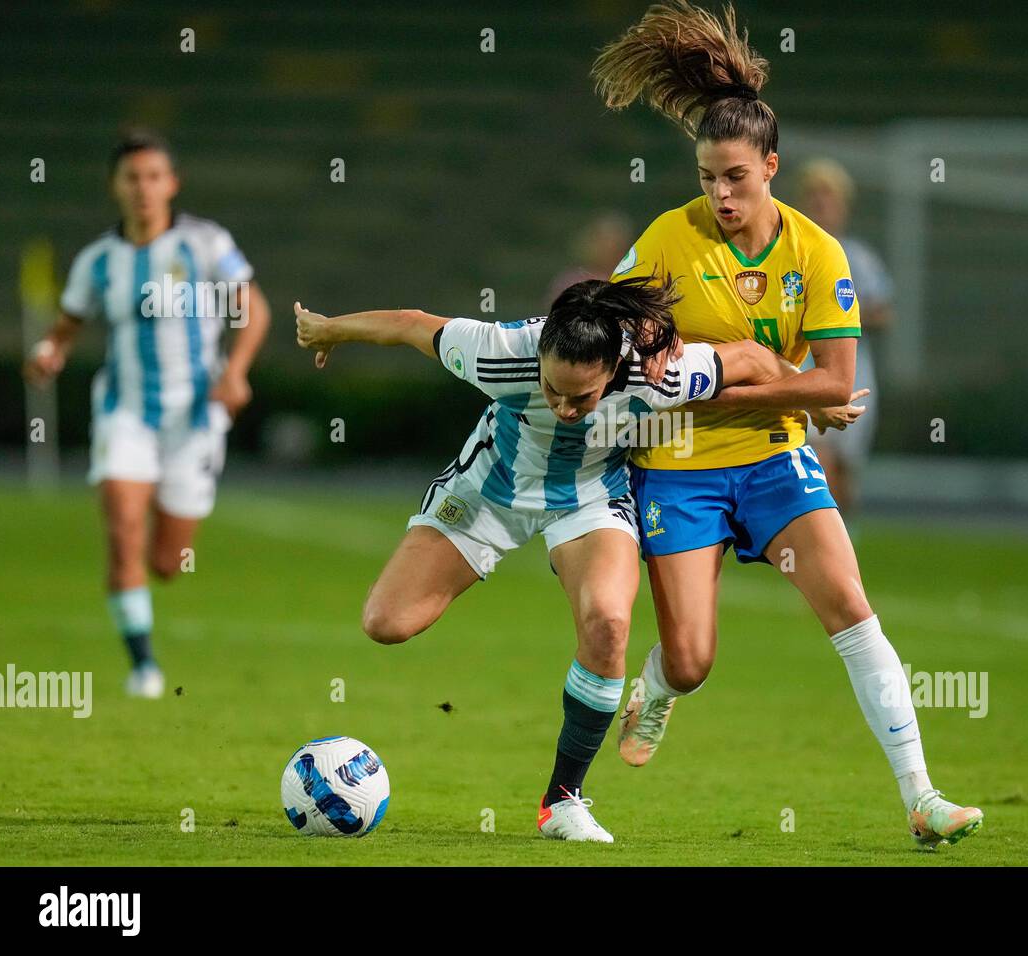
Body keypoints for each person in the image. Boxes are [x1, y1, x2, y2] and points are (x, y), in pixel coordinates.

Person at [593, 0, 982, 848]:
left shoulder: (817, 253)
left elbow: (838, 381)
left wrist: (742, 394)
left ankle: (922, 799)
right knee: (692, 661)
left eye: (736, 176)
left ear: (772, 165)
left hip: (775, 461)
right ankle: (656, 686)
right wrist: (782, 386)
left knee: (851, 607)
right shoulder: (665, 241)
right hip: (679, 468)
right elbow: (610, 342)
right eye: (707, 177)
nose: (720, 194)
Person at [293, 276, 862, 842]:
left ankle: (562, 800)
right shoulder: (498, 352)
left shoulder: (657, 373)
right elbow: (411, 324)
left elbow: (754, 359)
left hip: (590, 498)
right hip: (489, 491)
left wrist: (810, 398)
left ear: (612, 371)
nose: (565, 409)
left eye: (582, 397)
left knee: (609, 622)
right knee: (386, 623)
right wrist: (329, 330)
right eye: (552, 390)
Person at [23, 128, 271, 698]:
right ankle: (143, 667)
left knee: (168, 562)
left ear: (172, 183)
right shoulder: (97, 261)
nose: (143, 188)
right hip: (125, 412)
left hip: (195, 419)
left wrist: (236, 371)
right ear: (115, 186)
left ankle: (165, 524)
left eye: (153, 176)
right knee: (122, 527)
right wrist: (49, 352)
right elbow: (65, 327)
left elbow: (253, 309)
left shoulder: (205, 243)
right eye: (131, 178)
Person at [797, 158, 894, 514]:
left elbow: (884, 313)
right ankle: (821, 536)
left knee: (845, 469)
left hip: (853, 373)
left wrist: (837, 316)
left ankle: (843, 533)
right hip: (803, 371)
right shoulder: (790, 253)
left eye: (829, 197)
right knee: (818, 459)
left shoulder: (859, 259)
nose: (821, 204)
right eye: (814, 195)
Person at [544, 211, 634, 307]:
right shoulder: (572, 280)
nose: (609, 249)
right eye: (603, 242)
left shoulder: (632, 279)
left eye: (615, 244)